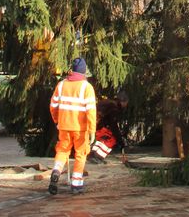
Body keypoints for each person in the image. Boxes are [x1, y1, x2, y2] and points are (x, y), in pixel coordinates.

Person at [48, 57, 96, 196]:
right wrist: (92, 130)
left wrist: (57, 121)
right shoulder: (87, 87)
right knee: (81, 154)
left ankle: (56, 170)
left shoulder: (61, 85)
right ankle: (76, 184)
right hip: (80, 128)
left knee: (62, 151)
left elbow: (53, 106)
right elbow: (91, 111)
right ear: (84, 72)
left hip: (64, 126)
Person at [89, 90, 129, 164]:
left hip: (94, 125)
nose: (126, 105)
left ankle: (93, 155)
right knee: (111, 139)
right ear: (122, 101)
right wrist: (119, 140)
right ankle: (97, 156)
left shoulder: (110, 104)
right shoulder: (114, 108)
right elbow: (113, 125)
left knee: (104, 138)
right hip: (97, 126)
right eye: (126, 103)